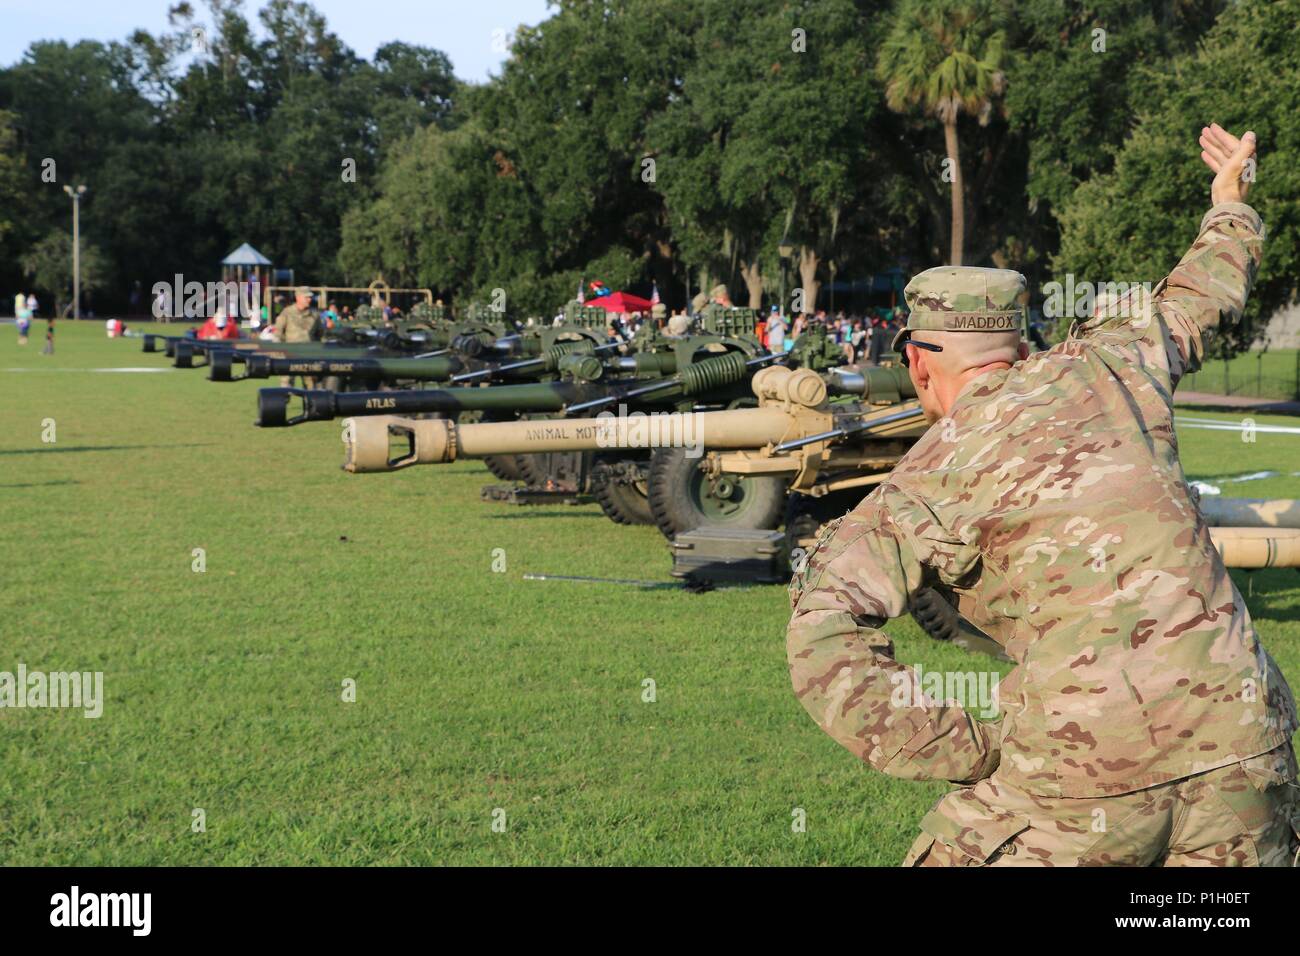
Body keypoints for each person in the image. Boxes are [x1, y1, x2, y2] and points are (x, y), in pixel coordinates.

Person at [787, 124, 1298, 867]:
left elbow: (822, 633)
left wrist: (973, 743)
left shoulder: (921, 482)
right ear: (1020, 347)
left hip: (1080, 778)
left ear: (917, 364)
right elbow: (1204, 288)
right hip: (1249, 750)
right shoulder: (1113, 363)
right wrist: (1230, 202)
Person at [273, 286, 321, 385]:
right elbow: (278, 333)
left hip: (309, 355)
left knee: (311, 386)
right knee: (286, 385)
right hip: (290, 354)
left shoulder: (315, 315)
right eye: (306, 297)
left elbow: (320, 335)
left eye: (310, 297)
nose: (309, 299)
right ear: (298, 297)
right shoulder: (287, 312)